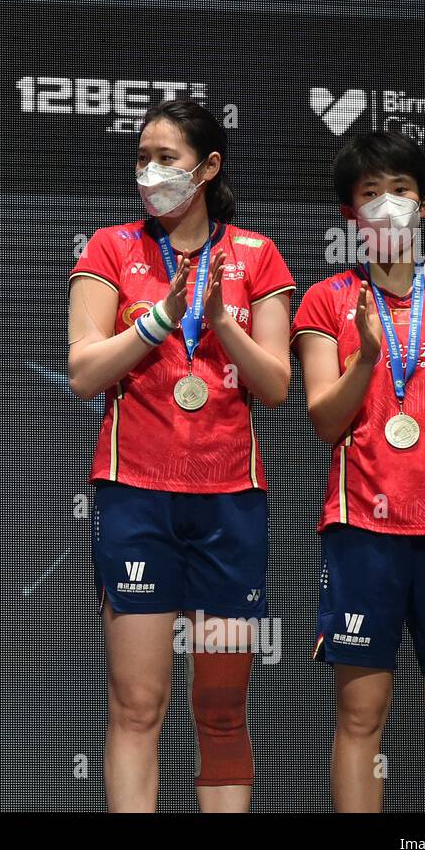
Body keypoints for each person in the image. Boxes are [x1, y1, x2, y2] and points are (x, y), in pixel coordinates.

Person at [67, 99, 295, 812]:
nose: (150, 171)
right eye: (143, 158)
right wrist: (161, 319)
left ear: (208, 167)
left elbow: (278, 385)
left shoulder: (256, 257)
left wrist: (224, 325)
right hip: (136, 502)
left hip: (230, 509)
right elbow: (83, 371)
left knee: (222, 707)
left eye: (166, 158)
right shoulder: (110, 248)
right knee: (137, 703)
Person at [291, 130, 425, 812]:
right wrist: (365, 353)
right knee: (361, 719)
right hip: (365, 529)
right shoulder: (328, 300)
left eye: (400, 191)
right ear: (349, 216)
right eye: (369, 194)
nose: (387, 206)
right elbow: (325, 419)